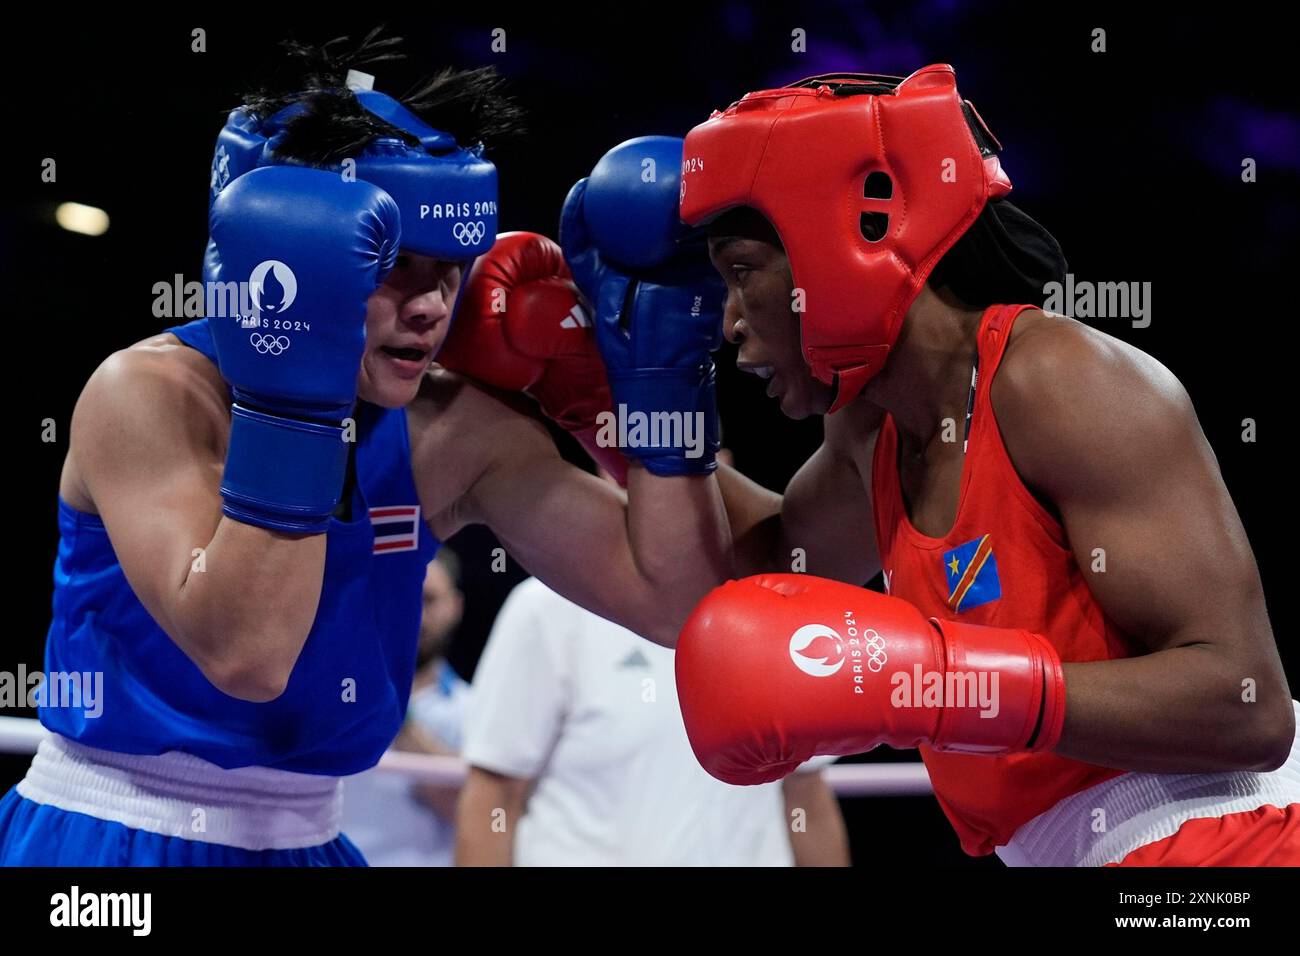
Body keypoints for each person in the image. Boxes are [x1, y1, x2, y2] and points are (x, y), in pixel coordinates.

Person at [0, 32, 728, 866]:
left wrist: (654, 396)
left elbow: (677, 605)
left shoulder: (452, 429)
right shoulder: (150, 396)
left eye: (450, 269)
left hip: (312, 839)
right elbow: (248, 655)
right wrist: (298, 389)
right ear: (284, 259)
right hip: (110, 835)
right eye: (392, 266)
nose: (431, 306)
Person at [562, 65, 1298, 866]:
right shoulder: (875, 431)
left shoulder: (1057, 381)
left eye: (741, 272)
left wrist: (949, 685)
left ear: (845, 239)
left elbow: (1246, 708)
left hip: (1228, 840)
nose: (729, 324)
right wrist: (606, 401)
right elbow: (754, 570)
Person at [456, 574, 849, 866]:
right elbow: (493, 795)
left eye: (682, 464)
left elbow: (806, 796)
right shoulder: (546, 608)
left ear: (722, 466)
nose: (663, 489)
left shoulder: (777, 610)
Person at [341, 551, 467, 866]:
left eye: (429, 600)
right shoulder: (336, 696)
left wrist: (392, 706)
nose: (416, 616)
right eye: (406, 597)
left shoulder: (476, 709)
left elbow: (467, 808)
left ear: (455, 606)